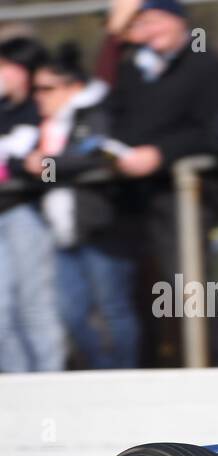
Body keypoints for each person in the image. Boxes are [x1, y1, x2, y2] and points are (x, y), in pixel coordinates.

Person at [106, 0, 218, 365]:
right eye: (143, 23)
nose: (151, 30)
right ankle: (163, 366)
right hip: (139, 197)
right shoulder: (133, 68)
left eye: (158, 20)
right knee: (143, 289)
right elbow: (114, 118)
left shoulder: (205, 65)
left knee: (189, 283)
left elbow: (216, 130)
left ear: (180, 21)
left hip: (188, 192)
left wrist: (160, 154)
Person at [25, 43, 140, 369]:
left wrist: (48, 164)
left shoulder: (95, 110)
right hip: (61, 233)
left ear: (72, 86)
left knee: (113, 309)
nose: (39, 96)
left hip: (101, 226)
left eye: (46, 88)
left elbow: (94, 156)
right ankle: (102, 373)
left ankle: (124, 376)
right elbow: (24, 165)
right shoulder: (45, 126)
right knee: (70, 313)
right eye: (35, 89)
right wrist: (43, 164)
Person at [0, 36, 63, 373]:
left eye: (6, 66)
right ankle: (18, 385)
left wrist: (26, 162)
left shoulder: (40, 108)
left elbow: (50, 167)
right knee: (2, 312)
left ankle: (50, 383)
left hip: (27, 214)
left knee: (34, 307)